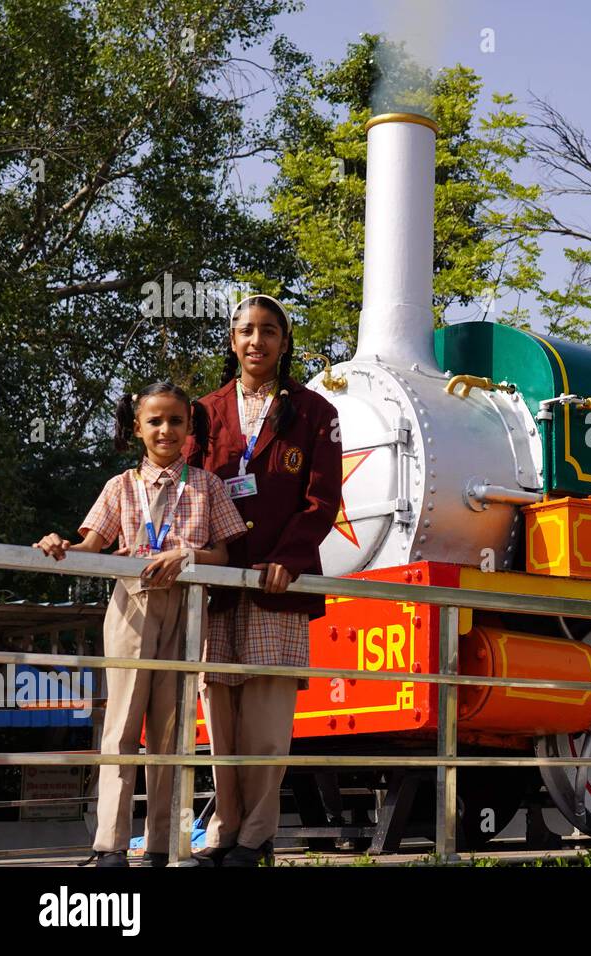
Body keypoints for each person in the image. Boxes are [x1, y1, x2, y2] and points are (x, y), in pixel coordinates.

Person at [32, 383, 247, 867]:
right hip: (131, 606)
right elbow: (91, 544)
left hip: (187, 610)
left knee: (170, 732)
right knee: (122, 726)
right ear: (137, 428)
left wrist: (187, 553)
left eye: (175, 421)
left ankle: (161, 844)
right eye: (155, 421)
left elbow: (225, 552)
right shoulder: (121, 486)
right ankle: (109, 844)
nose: (165, 430)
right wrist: (59, 544)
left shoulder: (207, 485)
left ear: (190, 428)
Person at [187, 294, 341, 867]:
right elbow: (188, 490)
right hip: (218, 583)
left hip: (278, 584)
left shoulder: (315, 412)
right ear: (232, 340)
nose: (257, 341)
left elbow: (323, 500)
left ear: (284, 342)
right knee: (220, 718)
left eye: (269, 331)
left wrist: (291, 560)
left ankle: (257, 837)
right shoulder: (203, 412)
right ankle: (226, 832)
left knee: (268, 723)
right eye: (247, 331)